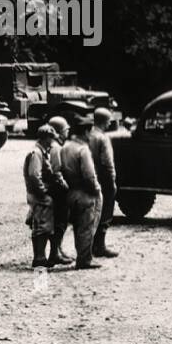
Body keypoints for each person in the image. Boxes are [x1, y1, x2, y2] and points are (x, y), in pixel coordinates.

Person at [59, 114, 104, 271]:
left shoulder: (65, 146)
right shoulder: (83, 150)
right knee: (86, 226)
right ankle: (84, 259)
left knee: (77, 226)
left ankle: (82, 256)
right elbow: (89, 175)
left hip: (69, 192)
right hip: (84, 192)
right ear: (86, 132)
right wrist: (97, 190)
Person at [23, 124, 61, 268]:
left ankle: (41, 257)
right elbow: (34, 175)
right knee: (40, 226)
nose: (52, 142)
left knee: (44, 226)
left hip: (38, 194)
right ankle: (39, 258)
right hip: (38, 195)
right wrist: (43, 191)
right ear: (46, 138)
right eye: (51, 138)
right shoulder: (37, 153)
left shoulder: (40, 151)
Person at [89, 106, 119, 258]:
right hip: (103, 177)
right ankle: (100, 246)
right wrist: (112, 180)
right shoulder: (103, 138)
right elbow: (107, 162)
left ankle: (89, 247)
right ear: (105, 122)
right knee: (105, 211)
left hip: (89, 176)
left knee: (91, 212)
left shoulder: (87, 135)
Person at [46, 115, 74, 266]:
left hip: (51, 188)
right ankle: (54, 253)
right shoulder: (56, 148)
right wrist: (65, 186)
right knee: (60, 221)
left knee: (58, 221)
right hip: (57, 190)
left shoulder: (50, 144)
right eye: (65, 130)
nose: (67, 133)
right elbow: (56, 171)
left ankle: (56, 250)